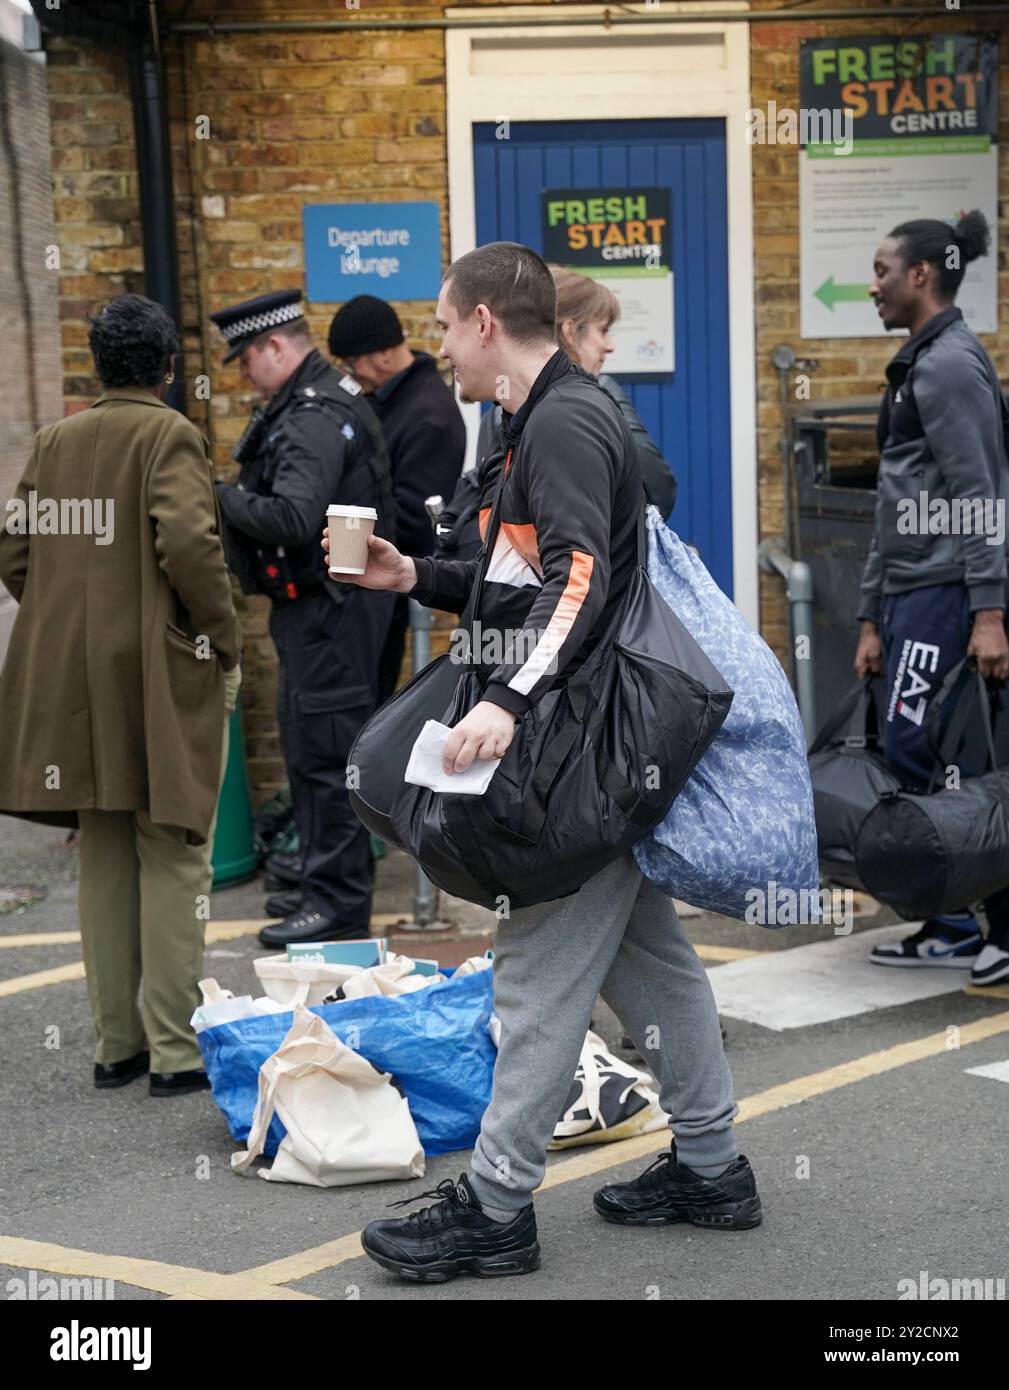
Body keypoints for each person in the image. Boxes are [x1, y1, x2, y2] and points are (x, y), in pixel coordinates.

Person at [324, 242, 758, 1284]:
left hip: (573, 740)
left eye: (439, 323)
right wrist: (415, 572)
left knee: (536, 967)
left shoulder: (561, 420)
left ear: (483, 323)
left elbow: (578, 577)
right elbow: (515, 576)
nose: (432, 343)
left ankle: (495, 1205)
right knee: (645, 957)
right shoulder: (537, 418)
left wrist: (512, 700)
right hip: (588, 732)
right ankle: (711, 1166)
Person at [0, 293, 242, 1095]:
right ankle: (175, 1053)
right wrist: (220, 636)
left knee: (102, 851)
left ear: (96, 367)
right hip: (157, 670)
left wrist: (65, 607)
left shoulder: (55, 440)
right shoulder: (169, 432)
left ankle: (116, 1045)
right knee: (173, 852)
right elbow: (188, 546)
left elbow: (14, 545)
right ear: (168, 371)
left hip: (69, 676)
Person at [211, 290, 395, 944]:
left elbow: (292, 518)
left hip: (330, 616)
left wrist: (219, 497)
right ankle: (322, 891)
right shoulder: (321, 398)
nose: (240, 375)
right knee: (314, 752)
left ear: (274, 348)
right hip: (328, 612)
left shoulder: (313, 415)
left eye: (245, 361)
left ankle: (338, 911)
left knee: (324, 759)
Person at [854, 211, 1009, 985]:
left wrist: (988, 612)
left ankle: (996, 924)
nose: (871, 284)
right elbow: (897, 499)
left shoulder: (948, 365)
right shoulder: (917, 364)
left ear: (920, 275)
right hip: (913, 592)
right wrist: (869, 613)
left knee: (962, 755)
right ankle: (949, 919)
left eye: (882, 269)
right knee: (911, 747)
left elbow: (979, 494)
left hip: (950, 590)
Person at [327, 295, 466, 703]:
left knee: (361, 706)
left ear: (384, 354)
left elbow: (410, 520)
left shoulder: (428, 416)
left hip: (379, 594)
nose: (348, 375)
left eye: (351, 364)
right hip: (364, 585)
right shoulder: (387, 400)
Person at [473, 263, 678, 520]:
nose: (609, 346)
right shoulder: (597, 394)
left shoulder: (497, 415)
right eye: (602, 330)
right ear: (569, 332)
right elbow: (658, 489)